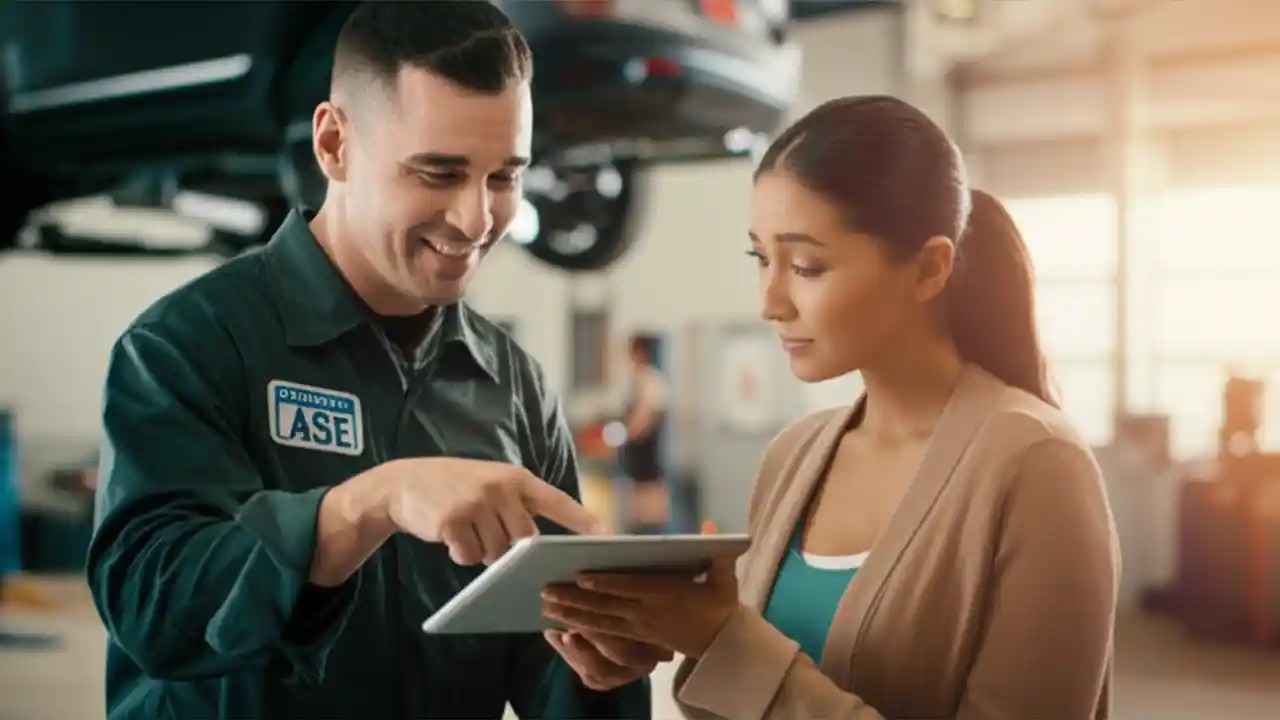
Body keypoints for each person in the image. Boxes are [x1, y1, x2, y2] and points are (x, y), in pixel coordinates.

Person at [86, 3, 659, 718]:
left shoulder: (514, 387)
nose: (477, 219)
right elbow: (154, 611)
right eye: (437, 173)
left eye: (504, 177)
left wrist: (602, 665)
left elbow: (551, 658)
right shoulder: (189, 346)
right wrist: (367, 504)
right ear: (334, 145)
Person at [541, 96, 1121, 719]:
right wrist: (652, 645)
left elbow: (760, 671)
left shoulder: (1036, 466)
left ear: (928, 268)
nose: (771, 302)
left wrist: (724, 644)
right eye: (761, 259)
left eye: (807, 266)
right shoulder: (794, 455)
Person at [618, 334, 671, 533]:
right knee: (635, 510)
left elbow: (642, 424)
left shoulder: (653, 382)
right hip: (635, 462)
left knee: (650, 512)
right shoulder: (635, 381)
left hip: (648, 458)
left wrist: (626, 434)